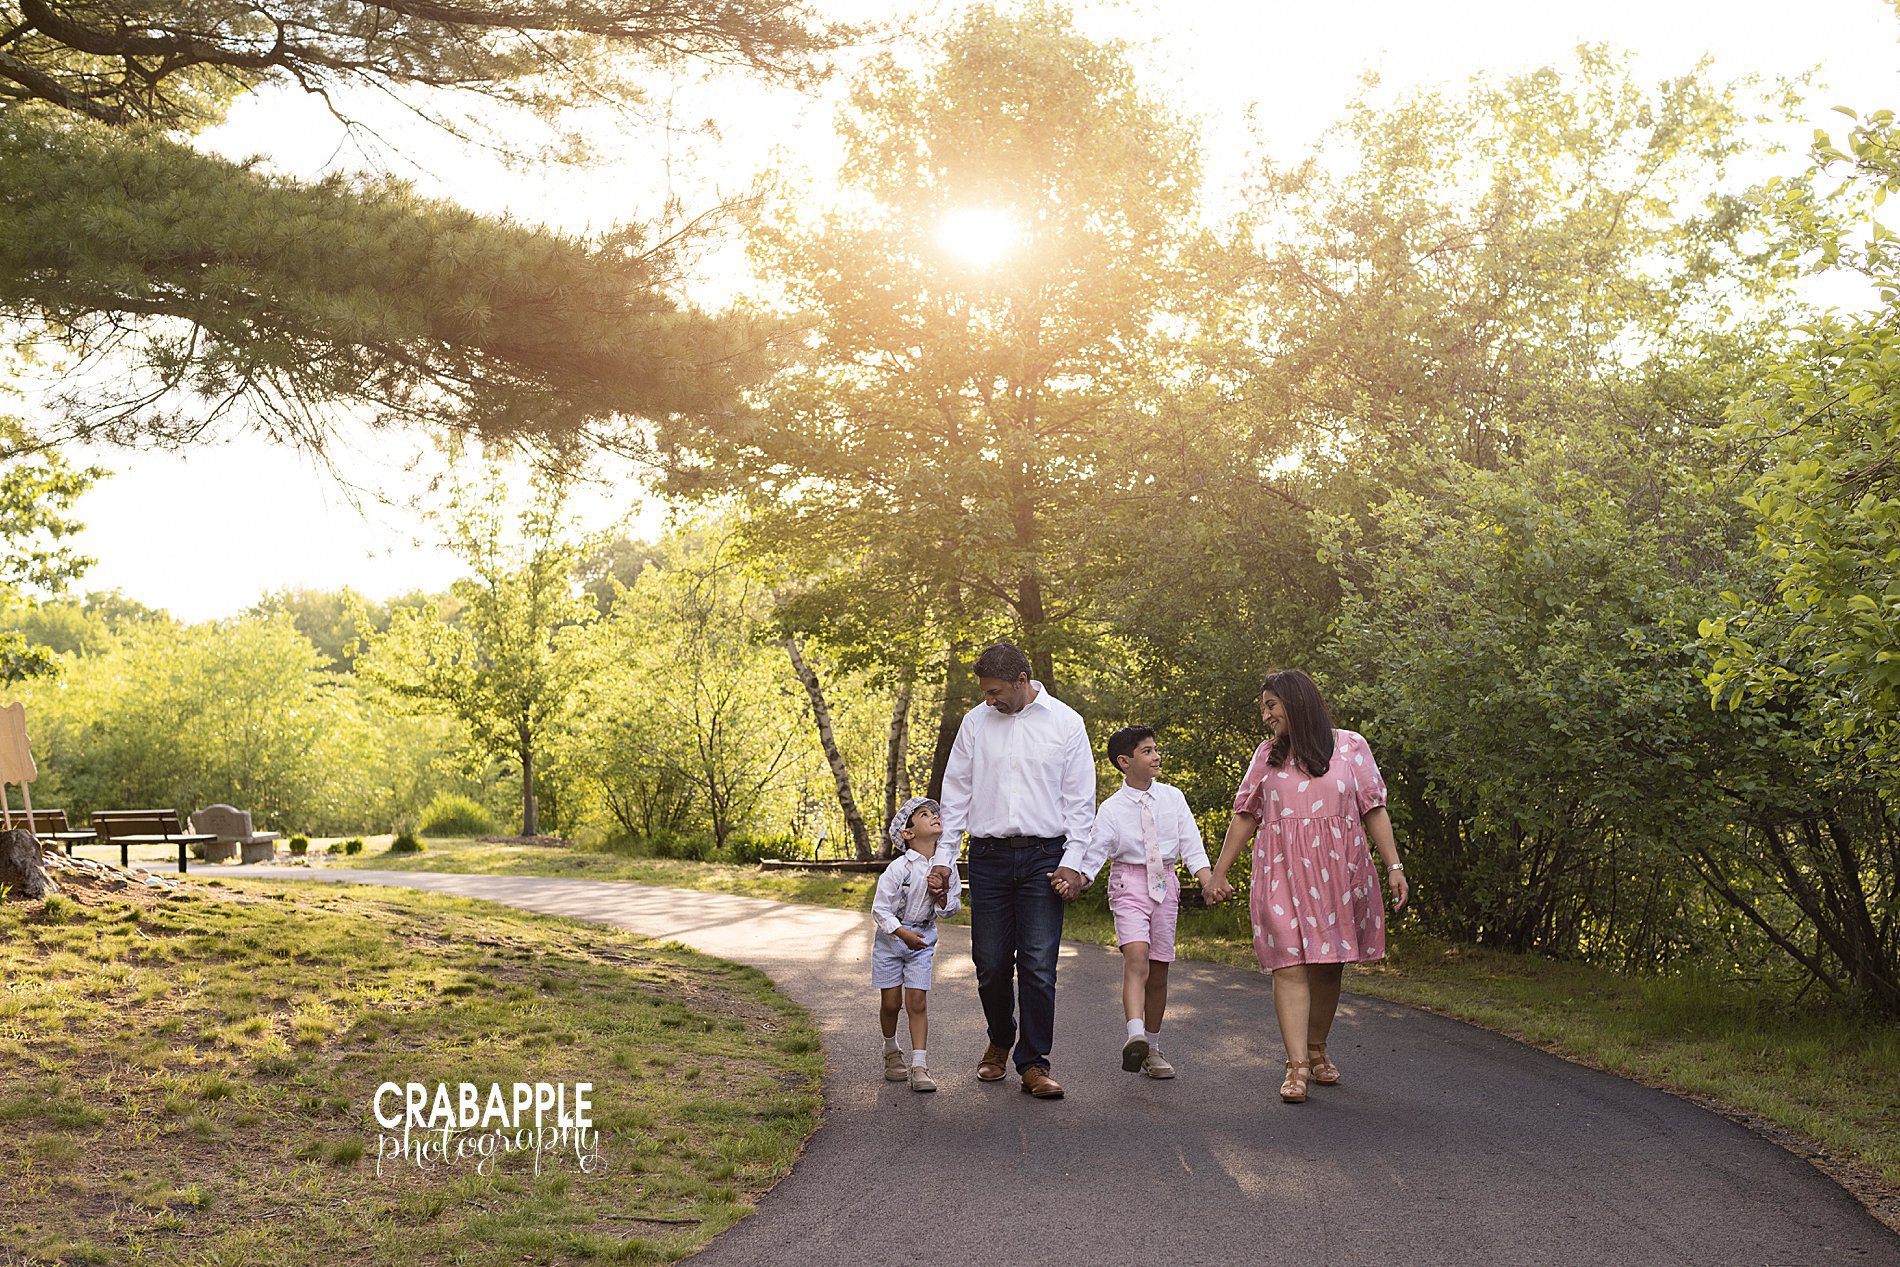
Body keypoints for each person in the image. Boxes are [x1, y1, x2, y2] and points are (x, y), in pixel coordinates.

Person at [1206, 669, 1409, 1103]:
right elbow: (1245, 814)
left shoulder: (1351, 746)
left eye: (1271, 705)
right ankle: (1296, 1065)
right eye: (1264, 707)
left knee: (1328, 965)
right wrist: (1219, 872)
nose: (1266, 716)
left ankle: (1317, 1047)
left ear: (1296, 701)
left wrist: (1394, 865)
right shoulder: (1267, 755)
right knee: (1289, 963)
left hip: (1339, 871)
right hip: (1280, 869)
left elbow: (1374, 808)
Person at [930, 642, 1095, 1099]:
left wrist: (1073, 863)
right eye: (985, 692)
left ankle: (1034, 1063)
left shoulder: (1066, 723)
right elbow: (956, 794)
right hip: (989, 857)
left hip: (1045, 857)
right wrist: (944, 859)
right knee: (990, 964)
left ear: (1022, 680)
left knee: (1039, 965)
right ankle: (1000, 1037)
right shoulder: (975, 723)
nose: (989, 700)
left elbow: (1081, 803)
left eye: (996, 691)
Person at [1052, 725, 1216, 1079]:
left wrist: (1209, 883)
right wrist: (1077, 880)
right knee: (1137, 957)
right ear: (1125, 762)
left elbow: (1192, 845)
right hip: (1129, 884)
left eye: (1156, 749)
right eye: (1147, 751)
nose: (1156, 756)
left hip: (1165, 886)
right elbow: (1095, 854)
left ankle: (1152, 1049)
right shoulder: (1112, 809)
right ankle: (1135, 1035)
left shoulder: (1173, 798)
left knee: (1159, 971)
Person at [871, 796, 960, 1093]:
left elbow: (951, 909)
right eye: (924, 814)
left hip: (922, 939)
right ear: (908, 833)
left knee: (917, 1002)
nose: (934, 816)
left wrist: (942, 897)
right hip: (891, 941)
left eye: (935, 813)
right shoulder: (898, 868)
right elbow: (879, 910)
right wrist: (901, 933)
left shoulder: (946, 867)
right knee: (891, 1003)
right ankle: (891, 1049)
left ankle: (919, 1066)